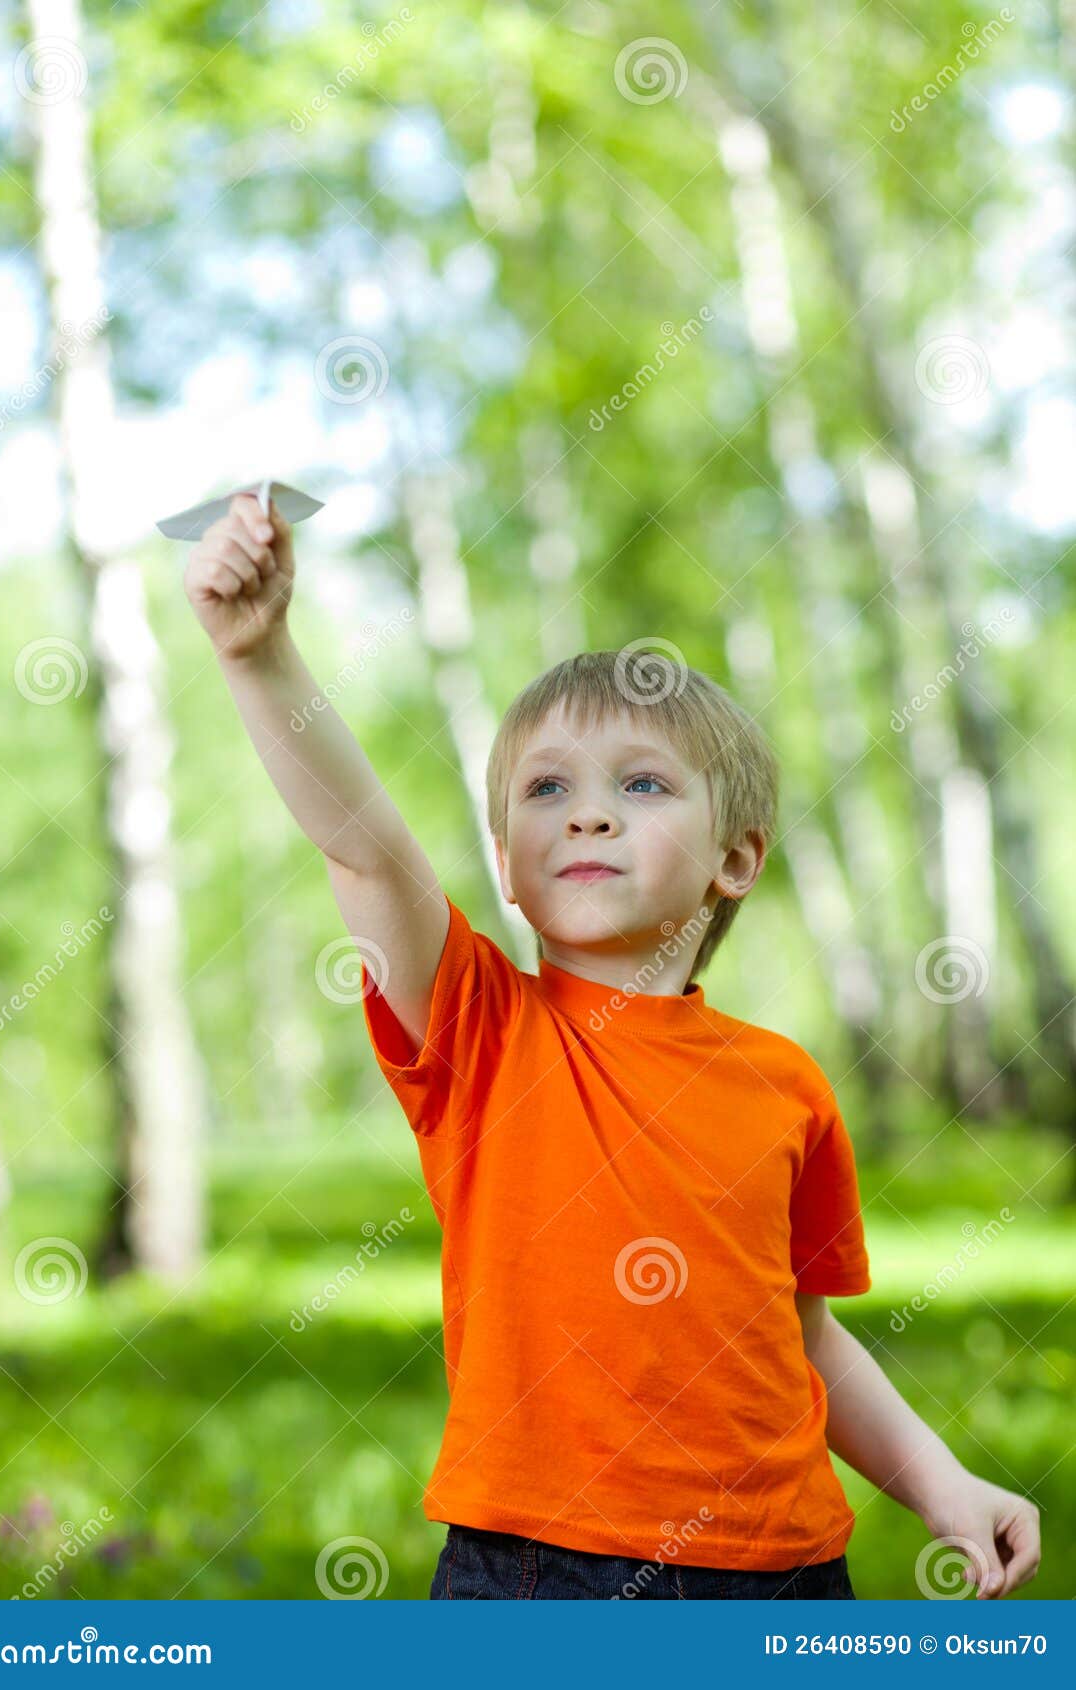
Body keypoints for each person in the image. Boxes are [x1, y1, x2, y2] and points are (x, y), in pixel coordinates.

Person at [185, 493, 1042, 1602]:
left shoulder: (785, 1085)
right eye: (547, 790)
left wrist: (939, 1481)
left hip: (781, 1576)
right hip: (536, 1574)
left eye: (639, 785)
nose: (586, 815)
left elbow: (803, 1337)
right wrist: (259, 657)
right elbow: (363, 855)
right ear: (506, 867)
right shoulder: (478, 1030)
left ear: (735, 857)